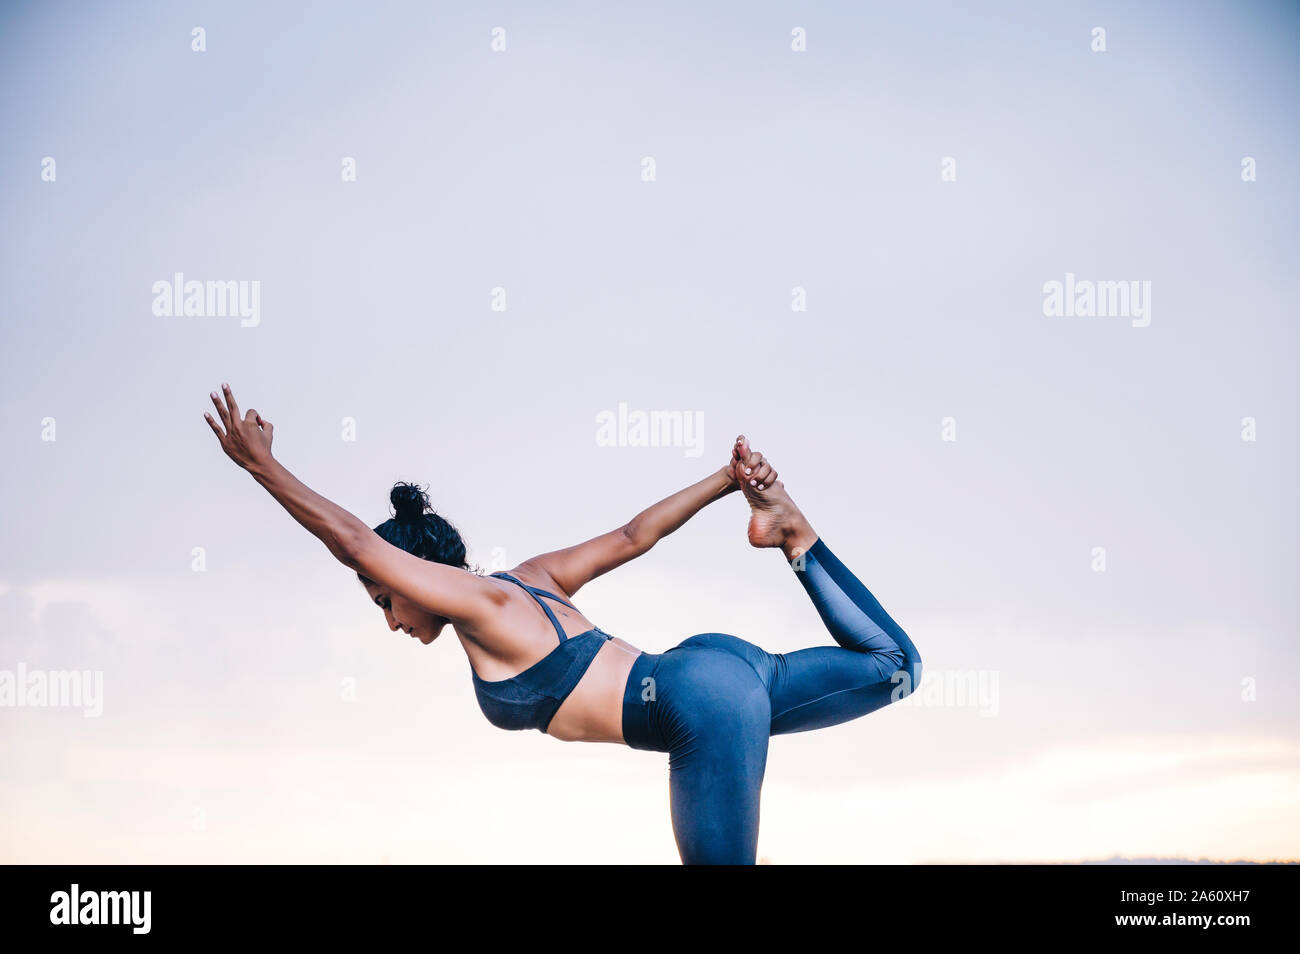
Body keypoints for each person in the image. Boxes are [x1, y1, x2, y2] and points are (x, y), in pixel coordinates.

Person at [205, 383, 921, 864]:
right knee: (896, 667)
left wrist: (263, 467)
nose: (391, 620)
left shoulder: (480, 605)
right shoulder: (532, 581)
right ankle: (792, 534)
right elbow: (634, 534)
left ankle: (784, 524)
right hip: (716, 667)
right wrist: (726, 481)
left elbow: (357, 543)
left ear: (413, 577)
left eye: (386, 599)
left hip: (696, 704)